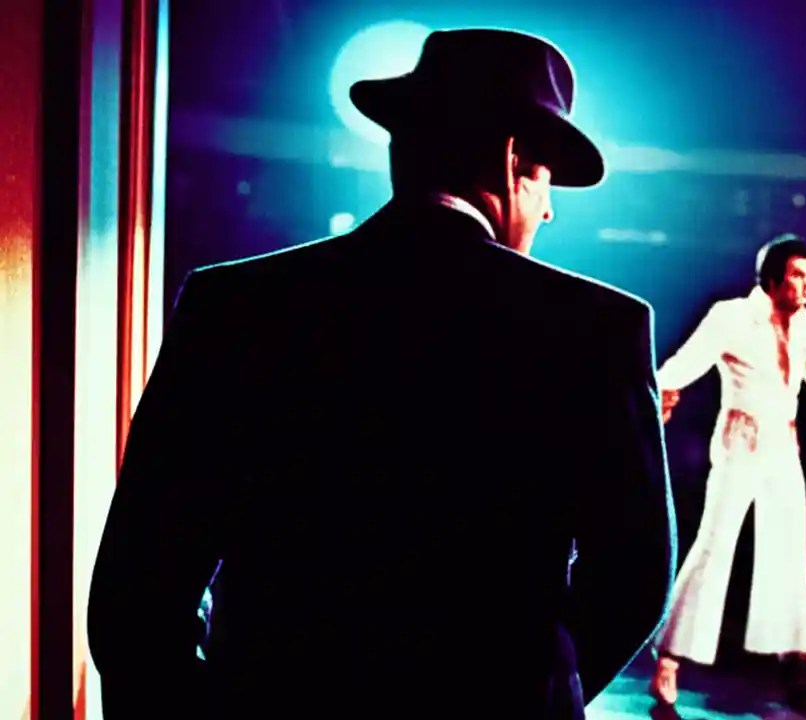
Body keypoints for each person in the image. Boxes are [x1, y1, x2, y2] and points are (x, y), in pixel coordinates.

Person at [87, 28, 676, 719]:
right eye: (548, 181)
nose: (548, 208)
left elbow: (140, 582)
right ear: (512, 156)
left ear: (405, 147)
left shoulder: (235, 307)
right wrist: (537, 688)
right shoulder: (596, 327)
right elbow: (634, 578)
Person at [648, 234, 806, 705]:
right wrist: (660, 390)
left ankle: (799, 648)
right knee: (715, 546)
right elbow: (687, 361)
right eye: (799, 276)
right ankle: (670, 657)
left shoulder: (801, 324)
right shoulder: (732, 316)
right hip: (741, 443)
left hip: (783, 445)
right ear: (774, 278)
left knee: (788, 547)